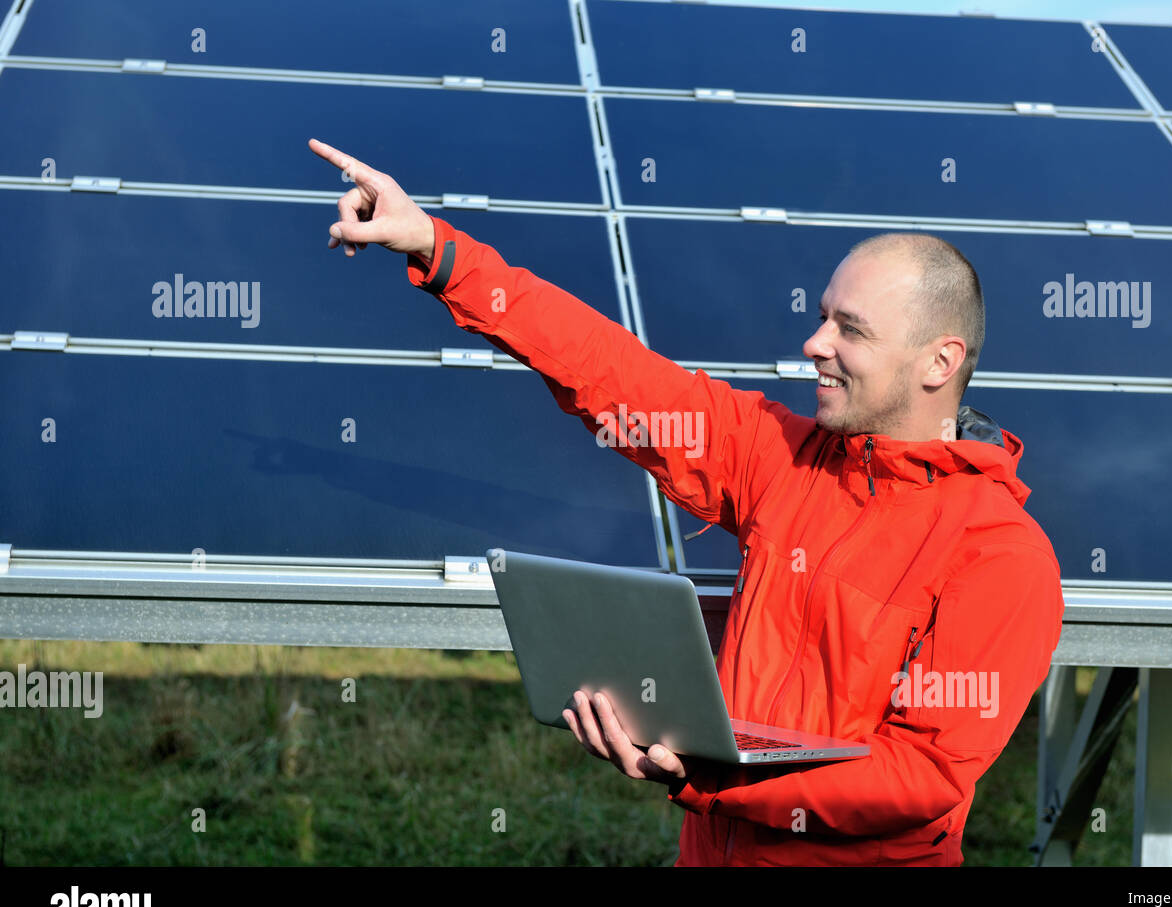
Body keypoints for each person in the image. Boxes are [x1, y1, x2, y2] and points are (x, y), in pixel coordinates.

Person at [308, 138, 1065, 866]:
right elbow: (617, 376)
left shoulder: (999, 555)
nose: (814, 342)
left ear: (940, 361)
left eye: (849, 329)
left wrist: (710, 777)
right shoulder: (785, 457)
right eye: (823, 315)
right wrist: (439, 251)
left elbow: (923, 776)